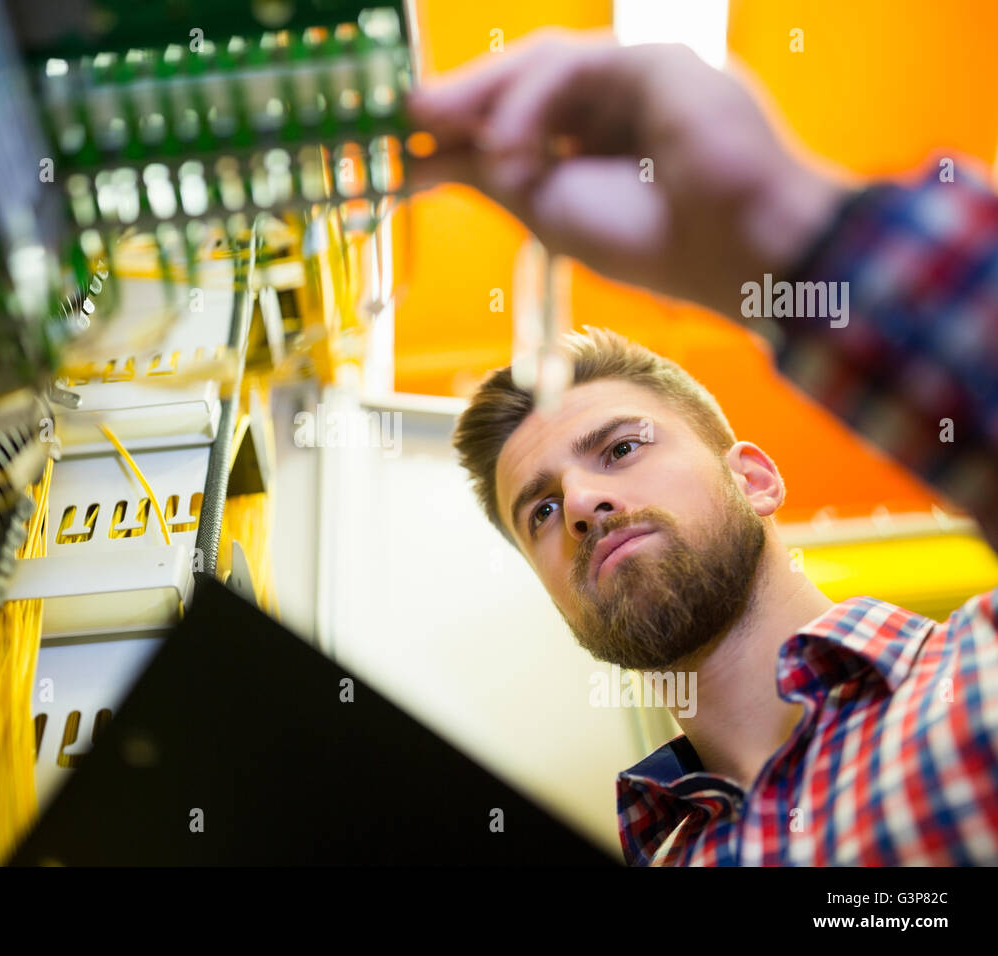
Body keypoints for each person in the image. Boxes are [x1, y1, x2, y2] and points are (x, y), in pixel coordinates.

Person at [407, 29, 998, 865]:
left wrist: (776, 223)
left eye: (618, 449)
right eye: (539, 509)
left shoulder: (978, 675)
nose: (578, 504)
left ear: (753, 476)